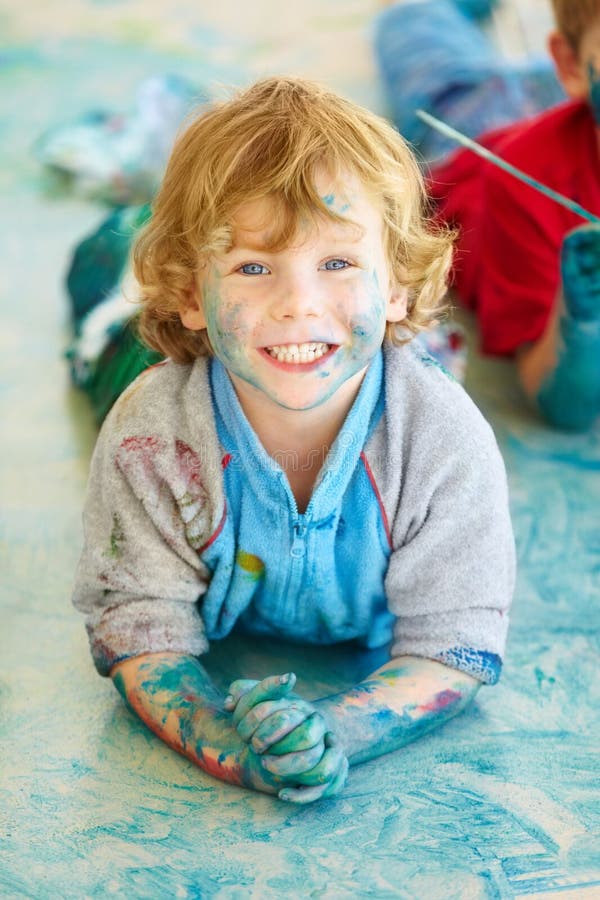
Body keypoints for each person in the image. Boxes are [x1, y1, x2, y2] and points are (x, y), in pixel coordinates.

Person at [72, 77, 515, 804]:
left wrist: (332, 731)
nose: (298, 301)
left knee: (419, 363)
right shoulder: (150, 433)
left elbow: (454, 646)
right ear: (190, 294)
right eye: (253, 267)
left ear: (398, 283)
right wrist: (228, 744)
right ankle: (125, 237)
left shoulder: (443, 438)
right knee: (106, 296)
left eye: (337, 263)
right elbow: (137, 625)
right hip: (140, 350)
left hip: (392, 360)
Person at [375, 0, 600, 431]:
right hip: (472, 119)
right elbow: (563, 409)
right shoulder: (527, 184)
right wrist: (584, 319)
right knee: (415, 25)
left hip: (557, 98)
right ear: (572, 64)